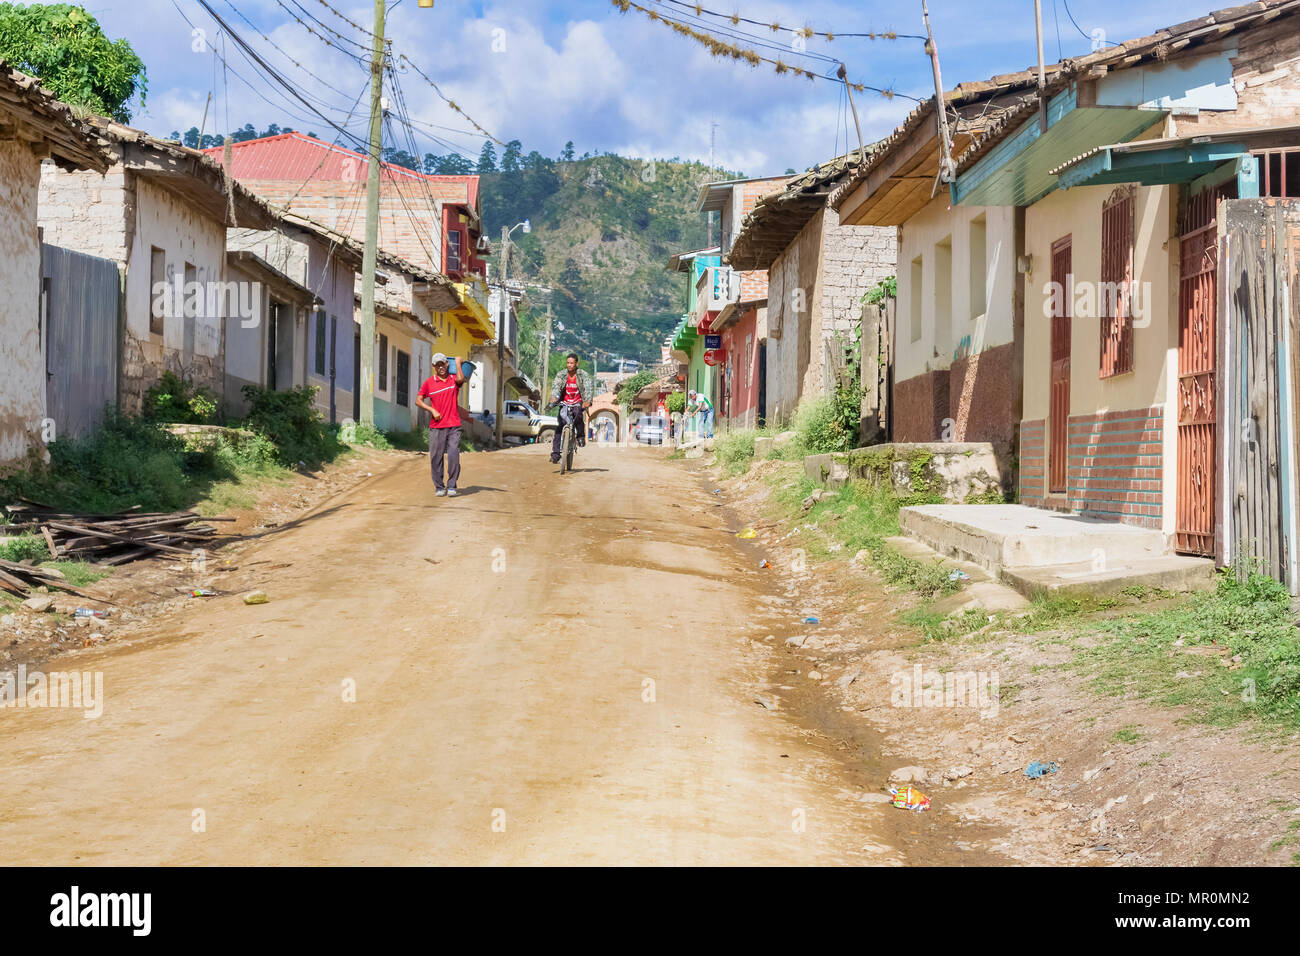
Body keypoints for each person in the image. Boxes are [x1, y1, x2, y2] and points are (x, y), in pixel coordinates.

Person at [415, 353, 466, 497]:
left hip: (454, 425)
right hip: (436, 426)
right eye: (437, 365)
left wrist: (458, 363)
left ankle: (451, 485)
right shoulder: (429, 383)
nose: (440, 367)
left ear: (446, 364)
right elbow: (418, 400)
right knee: (436, 457)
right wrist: (431, 409)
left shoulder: (453, 380)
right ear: (433, 367)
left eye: (442, 364)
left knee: (453, 454)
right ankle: (439, 486)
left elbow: (461, 379)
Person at [549, 353, 593, 464]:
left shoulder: (583, 375)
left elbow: (588, 388)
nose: (569, 365)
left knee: (578, 415)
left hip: (578, 402)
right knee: (560, 426)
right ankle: (555, 454)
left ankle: (580, 436)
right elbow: (556, 387)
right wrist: (554, 397)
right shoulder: (561, 375)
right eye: (567, 363)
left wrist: (587, 400)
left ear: (576, 363)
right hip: (564, 402)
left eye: (571, 363)